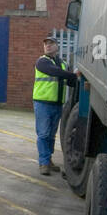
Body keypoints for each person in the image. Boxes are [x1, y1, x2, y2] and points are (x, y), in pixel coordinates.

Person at [33, 36, 79, 175]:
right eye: (46, 43)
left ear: (57, 46)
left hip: (57, 104)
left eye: (51, 43)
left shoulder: (63, 64)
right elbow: (56, 72)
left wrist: (78, 78)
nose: (47, 45)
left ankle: (48, 160)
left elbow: (71, 82)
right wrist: (73, 75)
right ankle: (43, 163)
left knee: (51, 135)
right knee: (43, 134)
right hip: (42, 103)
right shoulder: (42, 62)